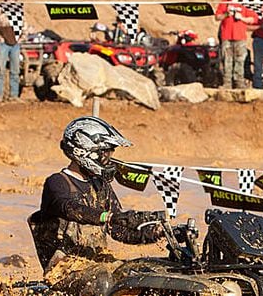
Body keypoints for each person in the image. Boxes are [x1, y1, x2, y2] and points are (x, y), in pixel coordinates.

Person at [27, 117, 166, 274]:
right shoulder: (57, 182)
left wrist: (158, 232)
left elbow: (119, 231)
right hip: (63, 271)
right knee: (103, 281)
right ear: (84, 151)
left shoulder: (100, 185)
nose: (108, 160)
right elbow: (69, 208)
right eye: (104, 154)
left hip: (97, 264)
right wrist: (108, 217)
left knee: (147, 271)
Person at [215, 0, 256, 89]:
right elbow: (217, 17)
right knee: (227, 60)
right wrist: (226, 14)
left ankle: (239, 82)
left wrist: (241, 18)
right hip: (226, 36)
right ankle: (227, 83)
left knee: (240, 60)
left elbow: (253, 19)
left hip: (240, 36)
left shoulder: (245, 4)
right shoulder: (224, 2)